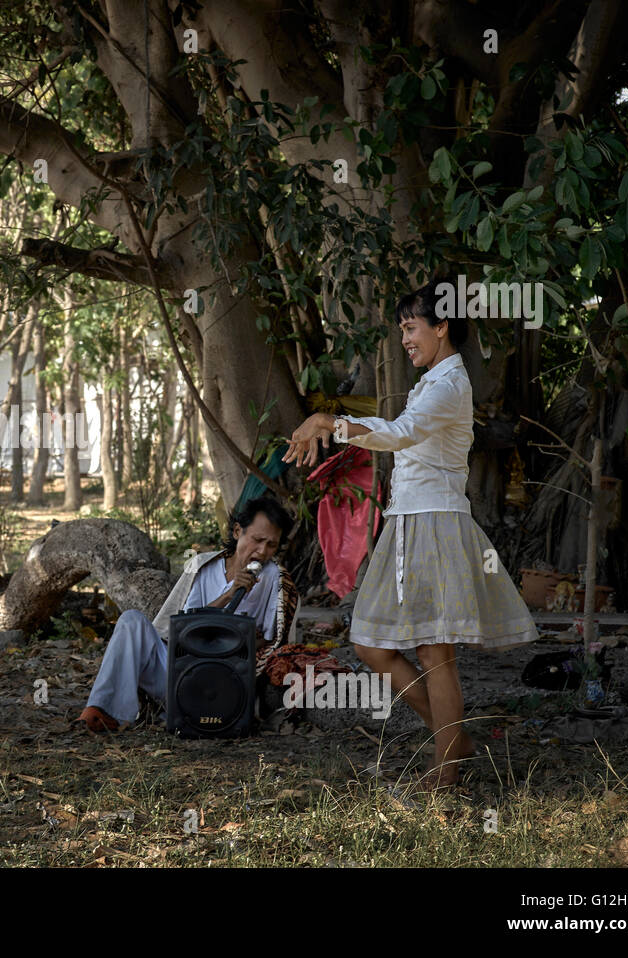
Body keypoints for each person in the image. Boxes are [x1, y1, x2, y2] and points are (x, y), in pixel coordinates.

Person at [282, 279, 538, 790]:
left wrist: (328, 420)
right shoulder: (433, 382)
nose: (404, 338)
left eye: (410, 327)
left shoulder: (448, 385)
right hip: (409, 523)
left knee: (433, 653)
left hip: (435, 524)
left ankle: (446, 772)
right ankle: (454, 741)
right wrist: (331, 425)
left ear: (441, 327)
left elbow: (399, 433)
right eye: (402, 328)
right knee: (373, 644)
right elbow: (397, 430)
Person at [80, 496, 296, 731]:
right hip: (180, 671)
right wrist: (228, 596)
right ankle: (106, 713)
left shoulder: (274, 578)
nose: (263, 551)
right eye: (257, 540)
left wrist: (233, 638)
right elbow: (184, 627)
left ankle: (182, 712)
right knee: (131, 620)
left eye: (272, 545)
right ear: (237, 532)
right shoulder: (204, 566)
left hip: (225, 680)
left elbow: (269, 640)